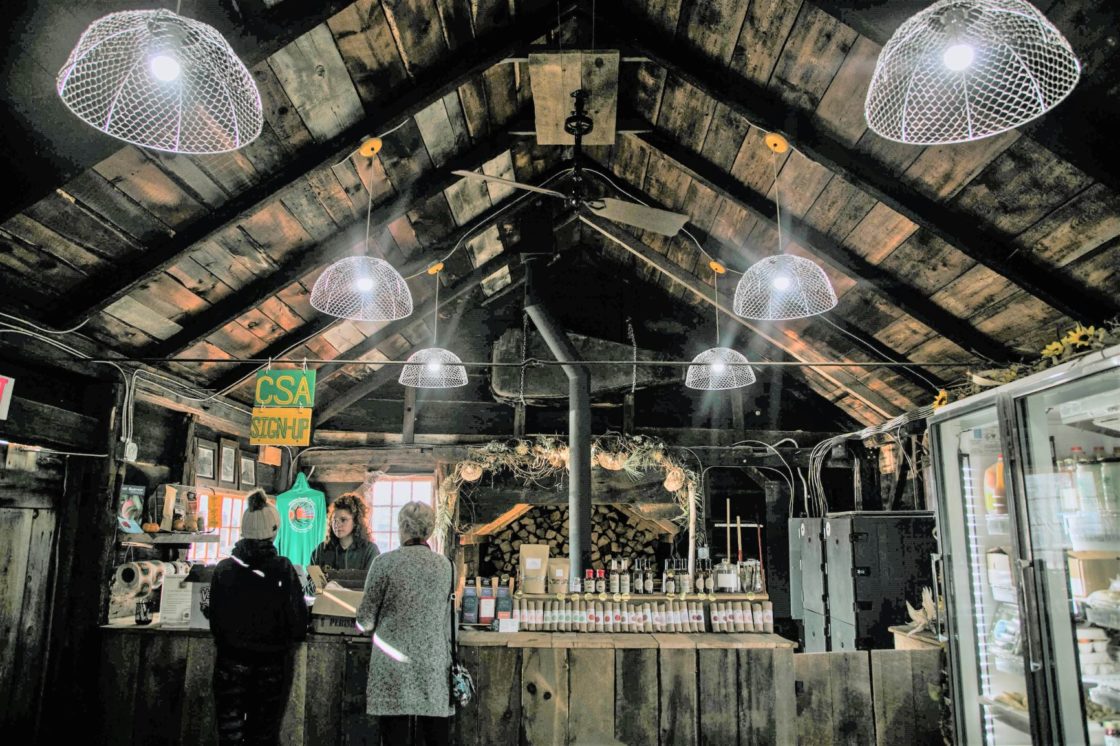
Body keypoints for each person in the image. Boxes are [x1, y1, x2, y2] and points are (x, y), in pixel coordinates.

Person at [208, 489, 309, 745]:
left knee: (229, 735)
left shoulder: (223, 570)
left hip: (229, 666)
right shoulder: (283, 569)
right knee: (263, 736)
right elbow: (298, 625)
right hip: (270, 668)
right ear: (273, 531)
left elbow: (215, 623)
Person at [356, 501, 453, 745]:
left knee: (394, 736)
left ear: (402, 527)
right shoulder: (447, 567)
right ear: (430, 530)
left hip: (393, 664)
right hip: (432, 664)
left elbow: (365, 621)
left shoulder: (384, 563)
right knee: (433, 737)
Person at [309, 492, 380, 573]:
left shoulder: (370, 551)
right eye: (334, 520)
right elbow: (311, 581)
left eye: (343, 520)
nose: (337, 524)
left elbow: (372, 583)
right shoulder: (321, 550)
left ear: (356, 522)